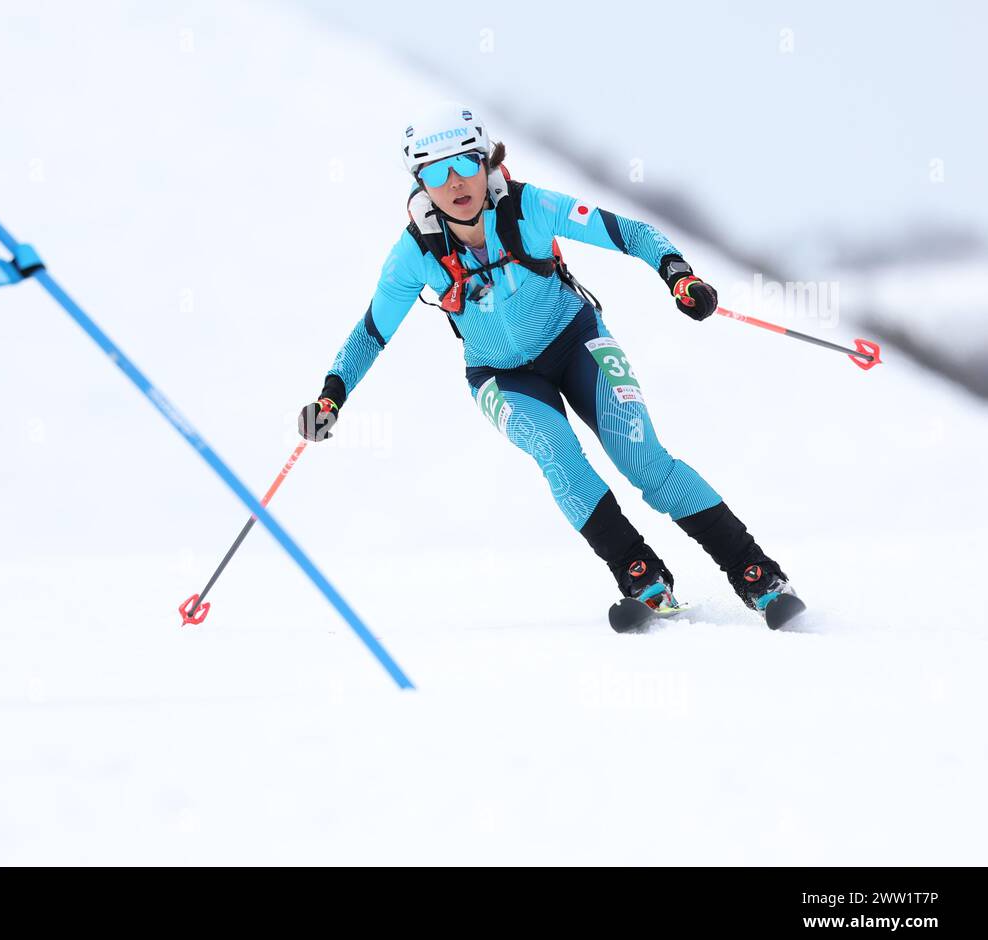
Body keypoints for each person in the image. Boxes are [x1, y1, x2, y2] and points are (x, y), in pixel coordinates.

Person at [297, 103, 800, 623]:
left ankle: (756, 573)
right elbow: (371, 334)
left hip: (576, 341)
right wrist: (331, 396)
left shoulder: (528, 207)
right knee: (556, 450)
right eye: (435, 173)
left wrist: (678, 275)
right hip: (501, 376)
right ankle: (639, 575)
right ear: (419, 183)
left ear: (486, 161)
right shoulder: (413, 253)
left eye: (466, 165)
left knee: (643, 459)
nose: (455, 183)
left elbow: (628, 232)